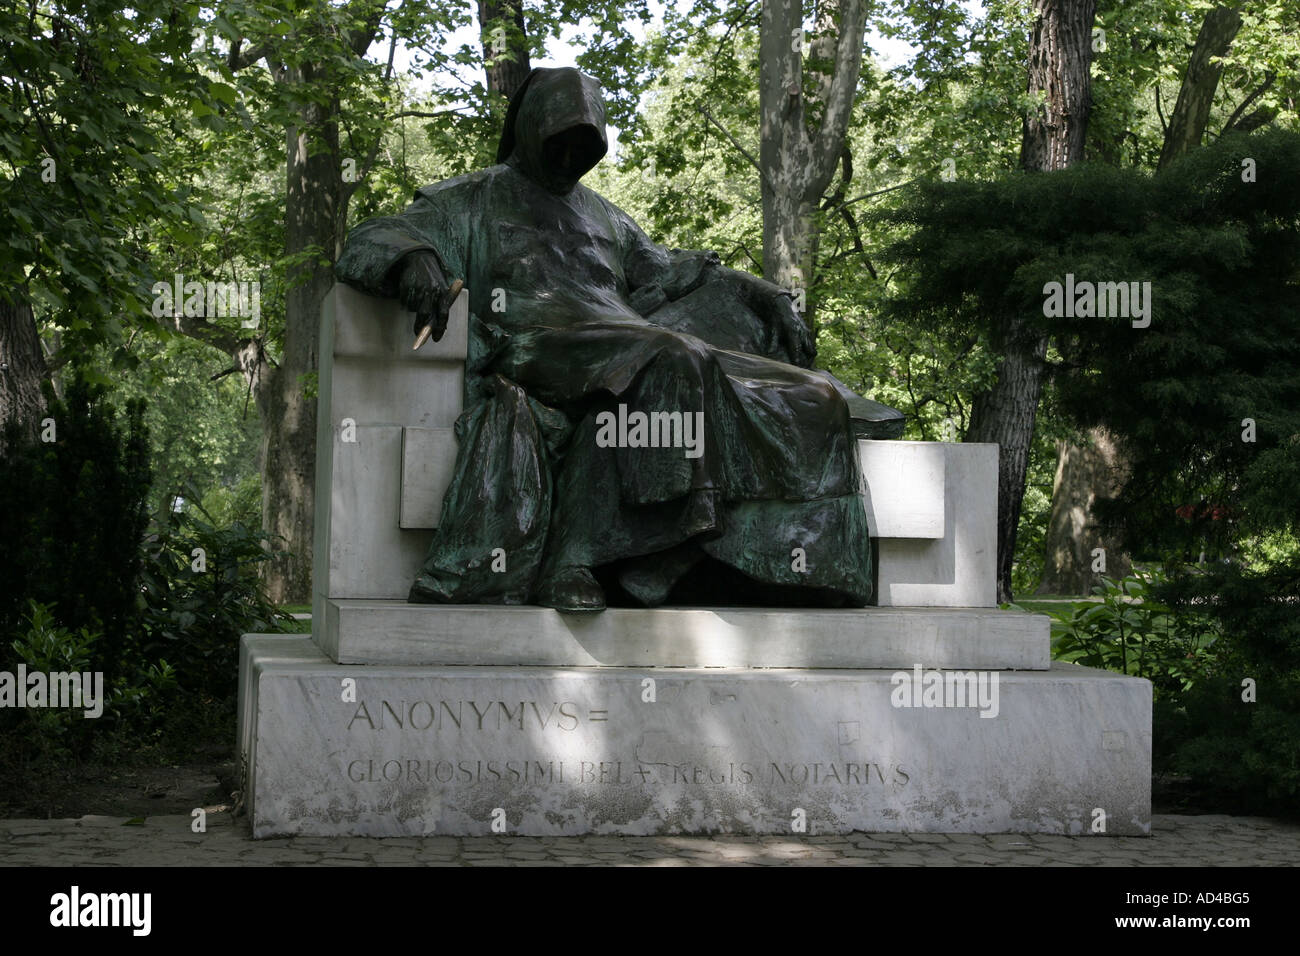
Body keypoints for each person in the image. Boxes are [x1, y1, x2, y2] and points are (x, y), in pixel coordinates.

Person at [335, 67, 901, 612]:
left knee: (815, 394)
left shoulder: (606, 216)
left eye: (583, 146)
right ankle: (590, 555)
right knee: (672, 354)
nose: (568, 157)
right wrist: (413, 257)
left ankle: (800, 570)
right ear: (528, 129)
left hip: (632, 342)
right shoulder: (469, 197)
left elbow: (674, 268)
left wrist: (764, 292)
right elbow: (375, 235)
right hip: (533, 346)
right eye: (558, 141)